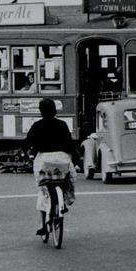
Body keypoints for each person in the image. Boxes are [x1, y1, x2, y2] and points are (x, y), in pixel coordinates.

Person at [24, 98, 81, 236]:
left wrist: (28, 153)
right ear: (55, 110)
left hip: (44, 160)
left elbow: (28, 142)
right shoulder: (62, 124)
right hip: (62, 160)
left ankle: (43, 224)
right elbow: (70, 143)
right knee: (67, 181)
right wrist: (76, 158)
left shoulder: (37, 125)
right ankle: (64, 202)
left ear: (40, 111)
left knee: (43, 190)